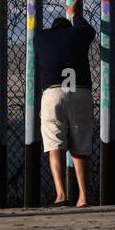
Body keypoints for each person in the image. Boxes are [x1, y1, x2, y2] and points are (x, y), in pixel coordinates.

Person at [33, 15, 95, 207]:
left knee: (54, 147)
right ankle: (83, 197)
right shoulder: (78, 35)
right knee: (80, 149)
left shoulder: (41, 38)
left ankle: (61, 195)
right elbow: (89, 30)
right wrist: (75, 14)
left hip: (53, 93)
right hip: (79, 92)